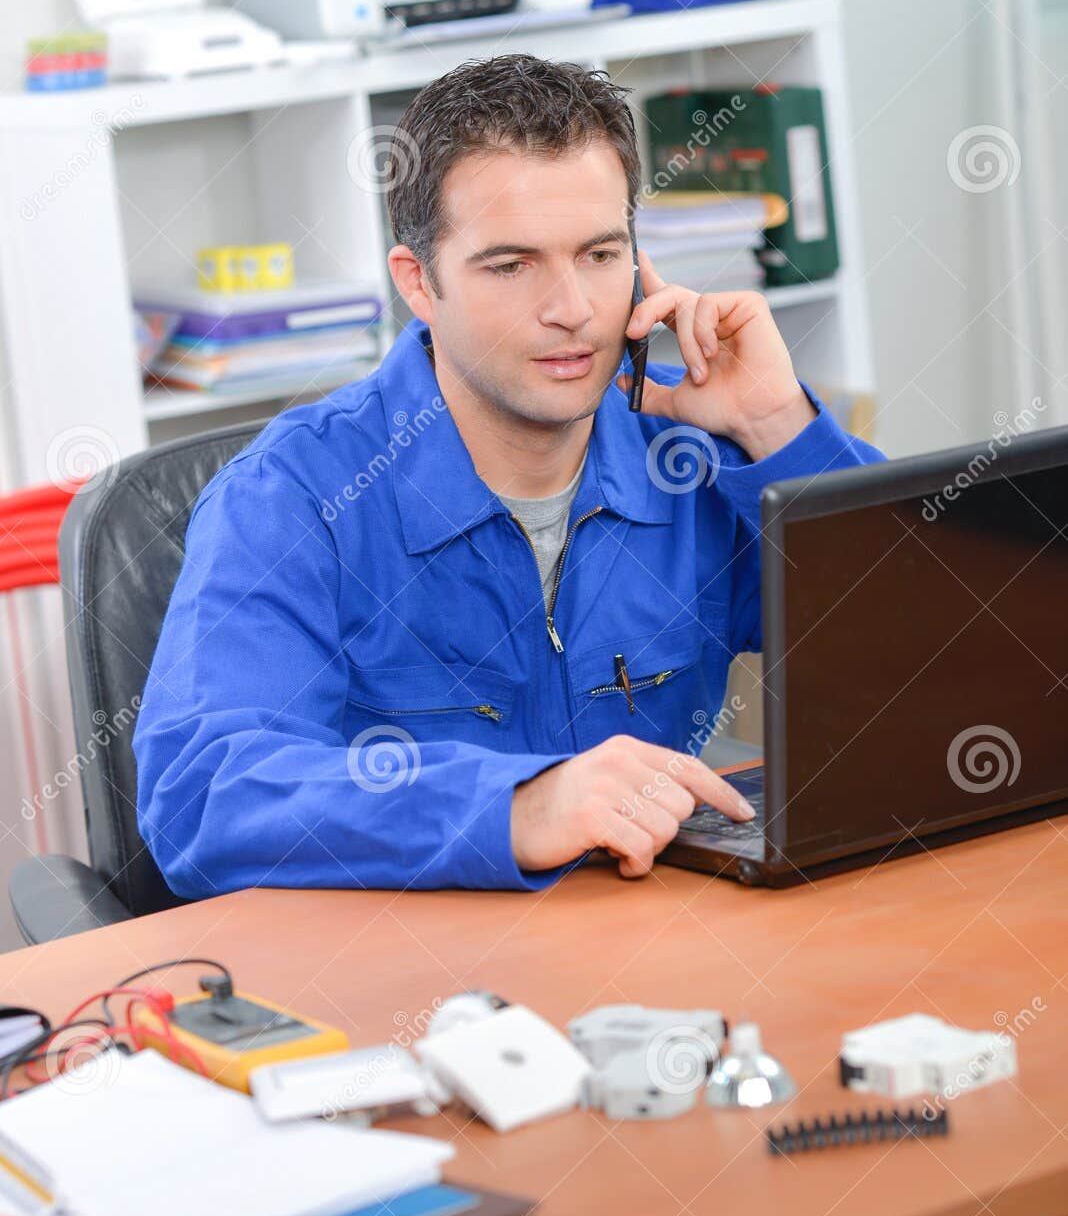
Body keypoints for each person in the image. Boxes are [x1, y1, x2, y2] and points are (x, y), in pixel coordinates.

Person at [134, 53, 882, 898]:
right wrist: (518, 806)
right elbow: (202, 797)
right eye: (511, 265)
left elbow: (945, 651)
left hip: (654, 941)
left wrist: (778, 425)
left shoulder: (690, 456)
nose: (572, 309)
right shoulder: (294, 495)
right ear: (420, 283)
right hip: (415, 969)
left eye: (600, 254)